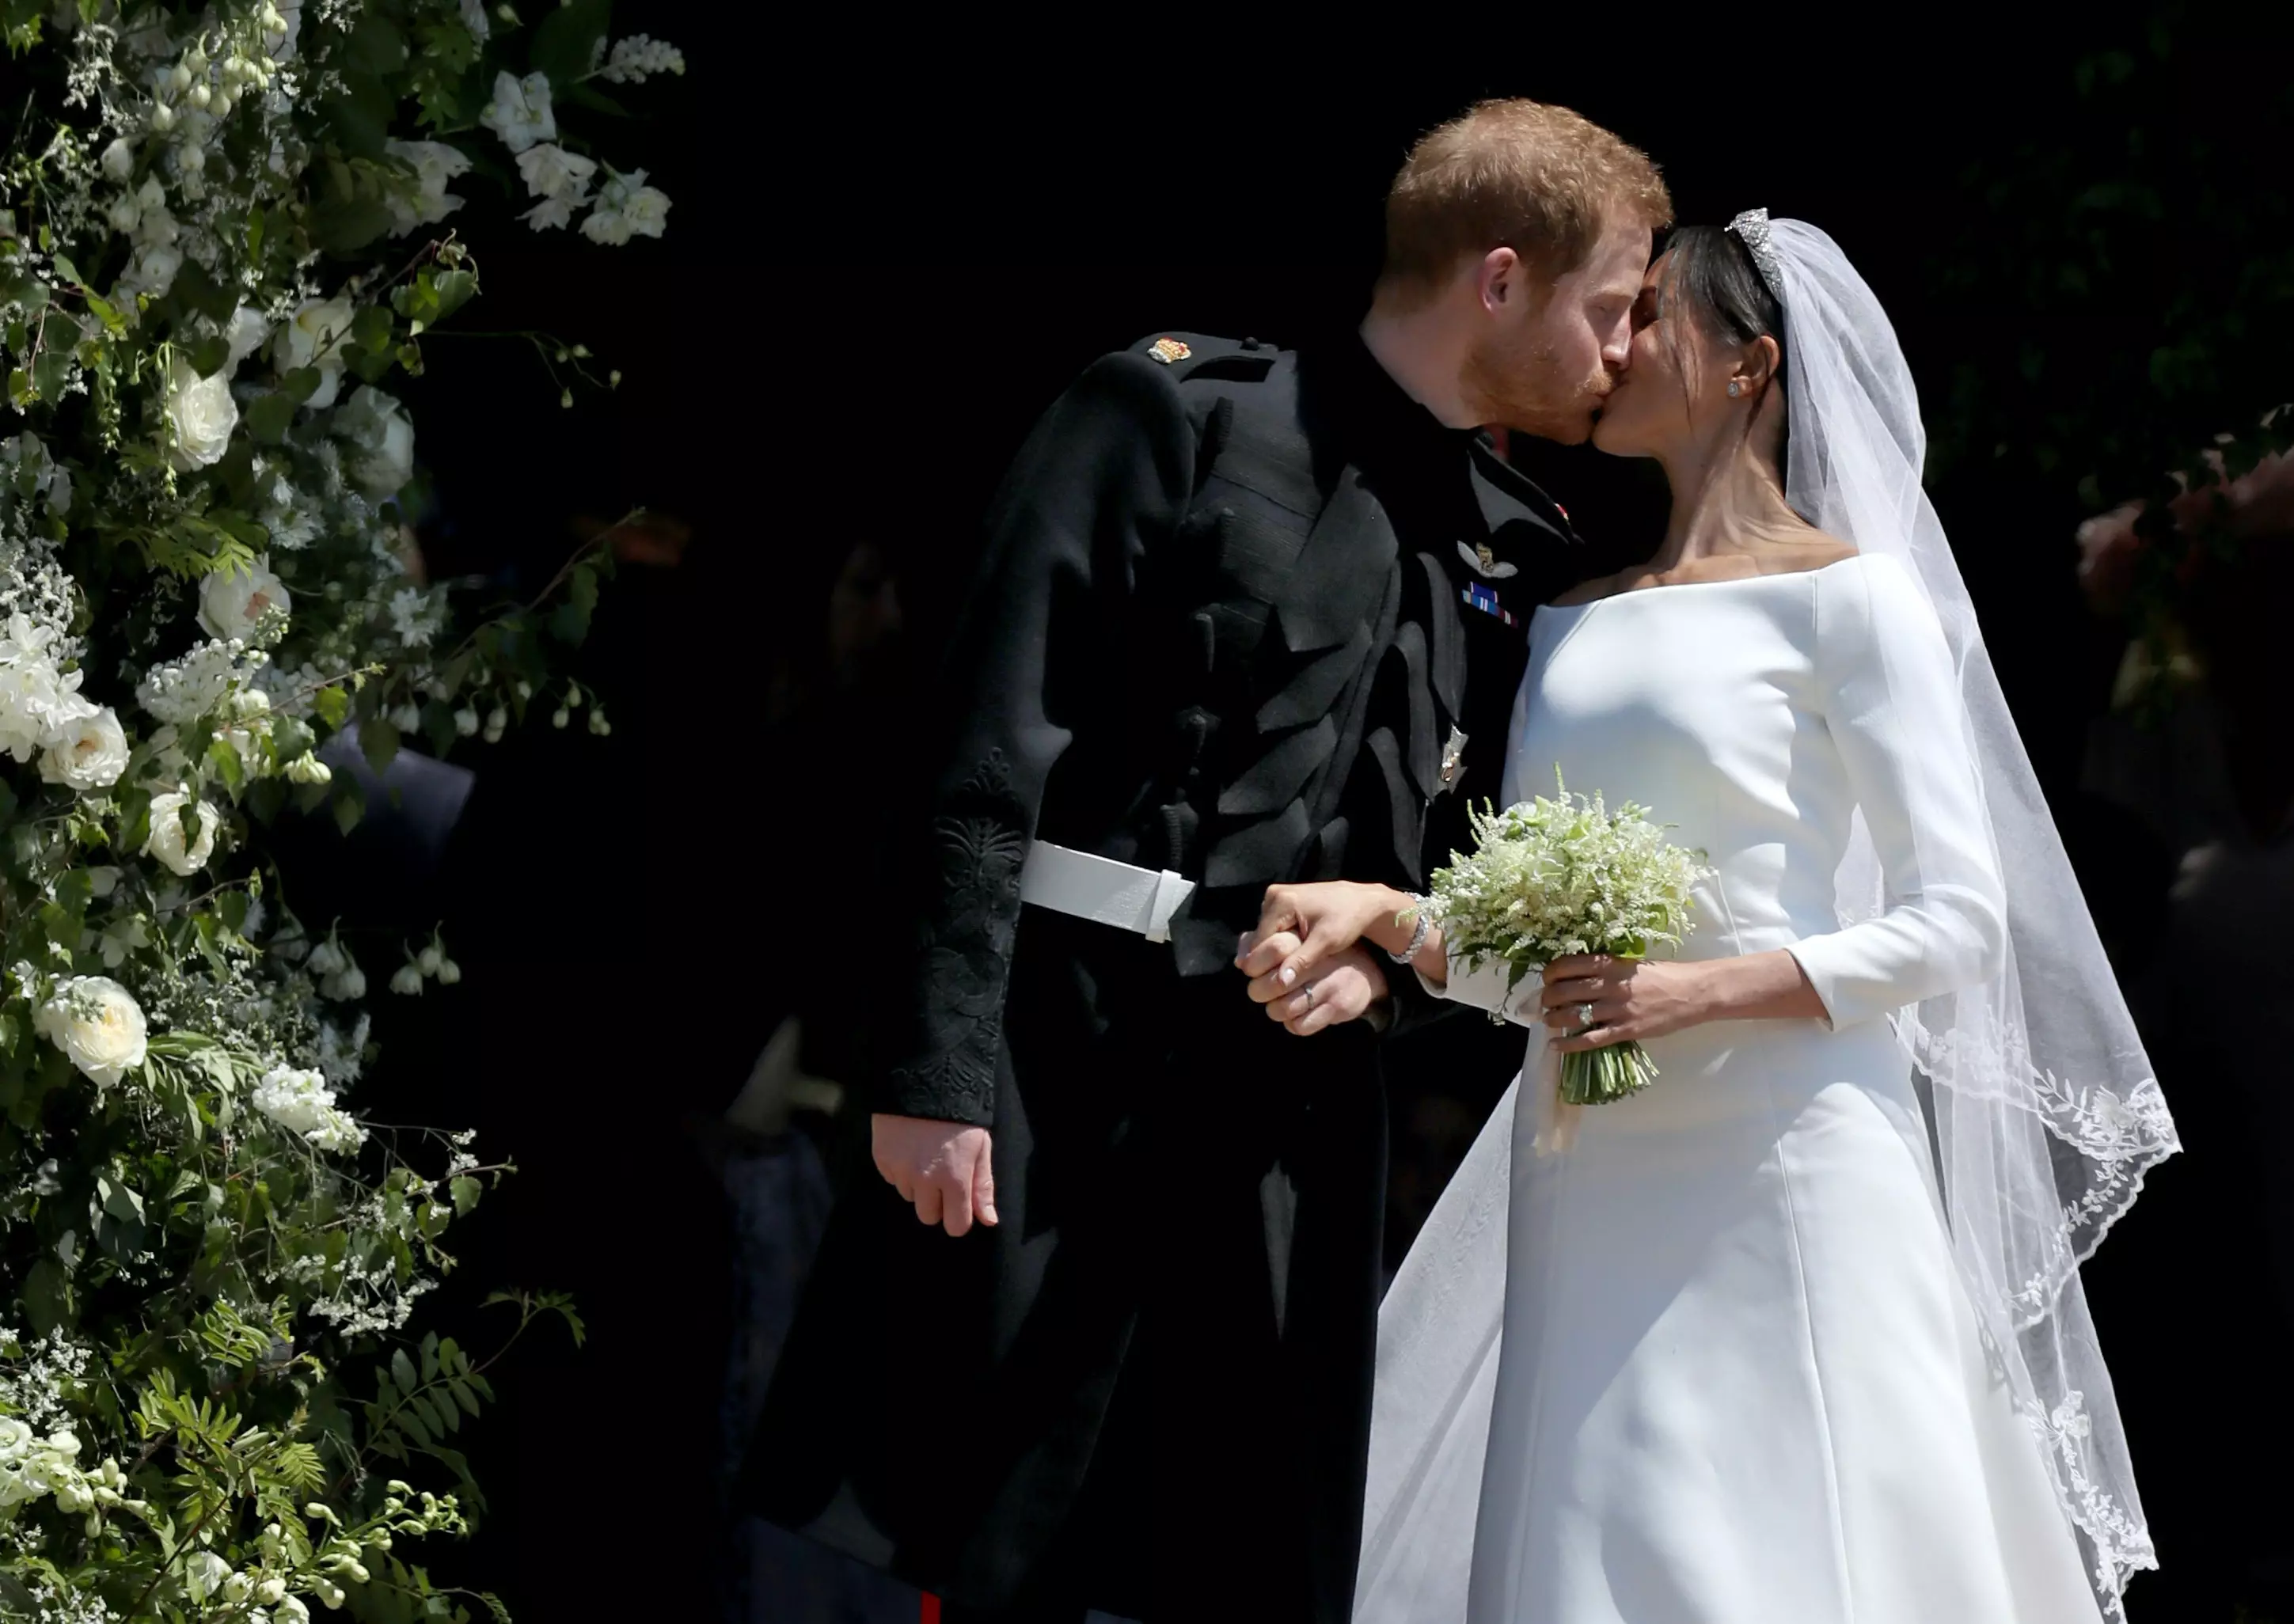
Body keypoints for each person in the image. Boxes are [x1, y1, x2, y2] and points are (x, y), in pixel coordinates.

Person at [739, 102, 1672, 1624]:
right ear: (1499, 280)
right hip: (1061, 1056)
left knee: (1231, 1555)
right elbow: (981, 748)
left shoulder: (1511, 544)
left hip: (1296, 1115)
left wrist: (1385, 981)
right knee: (989, 1537)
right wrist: (931, 1073)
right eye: (1609, 303)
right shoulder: (1171, 414)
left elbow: (1479, 869)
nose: (1625, 347)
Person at [1241, 216, 2177, 1624]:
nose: (1614, 349)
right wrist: (1393, 917)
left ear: (1749, 366)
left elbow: (1956, 921)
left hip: (1787, 1149)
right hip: (1586, 1161)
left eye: (1652, 320)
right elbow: (1545, 966)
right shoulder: (1568, 616)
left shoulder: (1849, 602)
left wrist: (1699, 992)